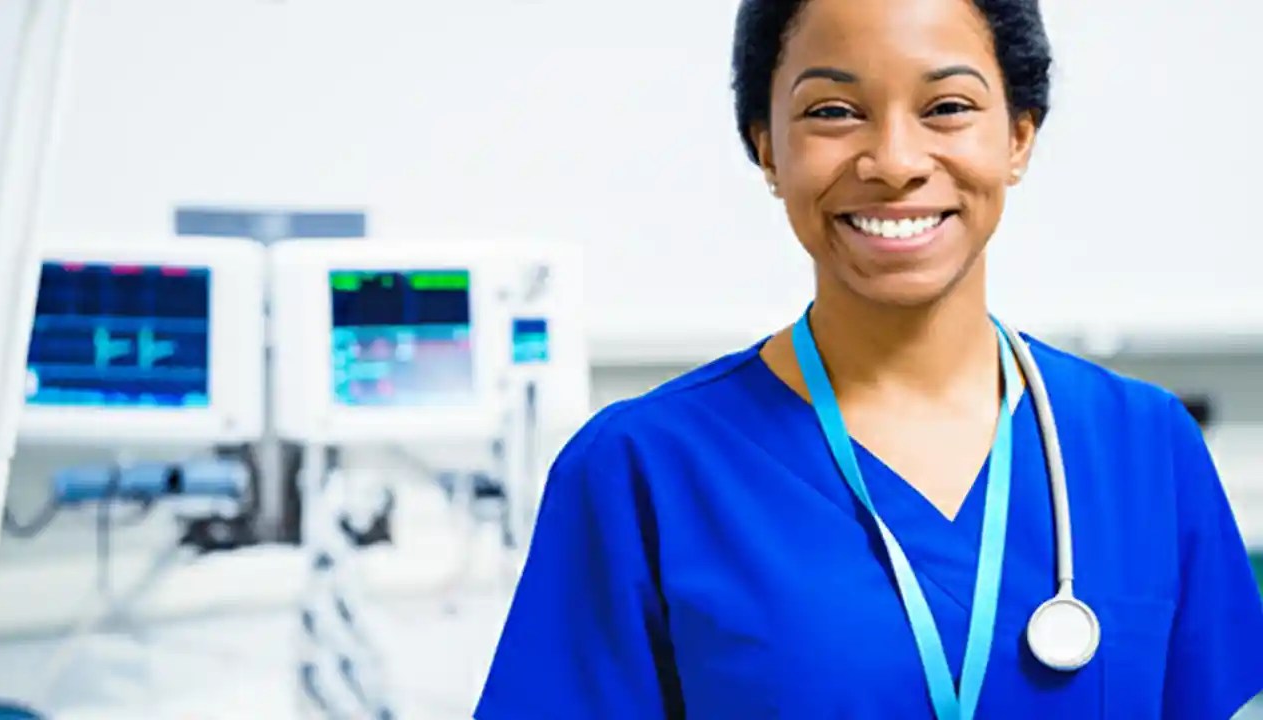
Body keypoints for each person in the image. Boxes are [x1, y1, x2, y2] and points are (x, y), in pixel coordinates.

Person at [474, 0, 1263, 717]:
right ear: (767, 150)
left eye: (948, 107)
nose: (893, 160)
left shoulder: (1143, 447)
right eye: (833, 111)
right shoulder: (641, 471)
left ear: (1019, 136)